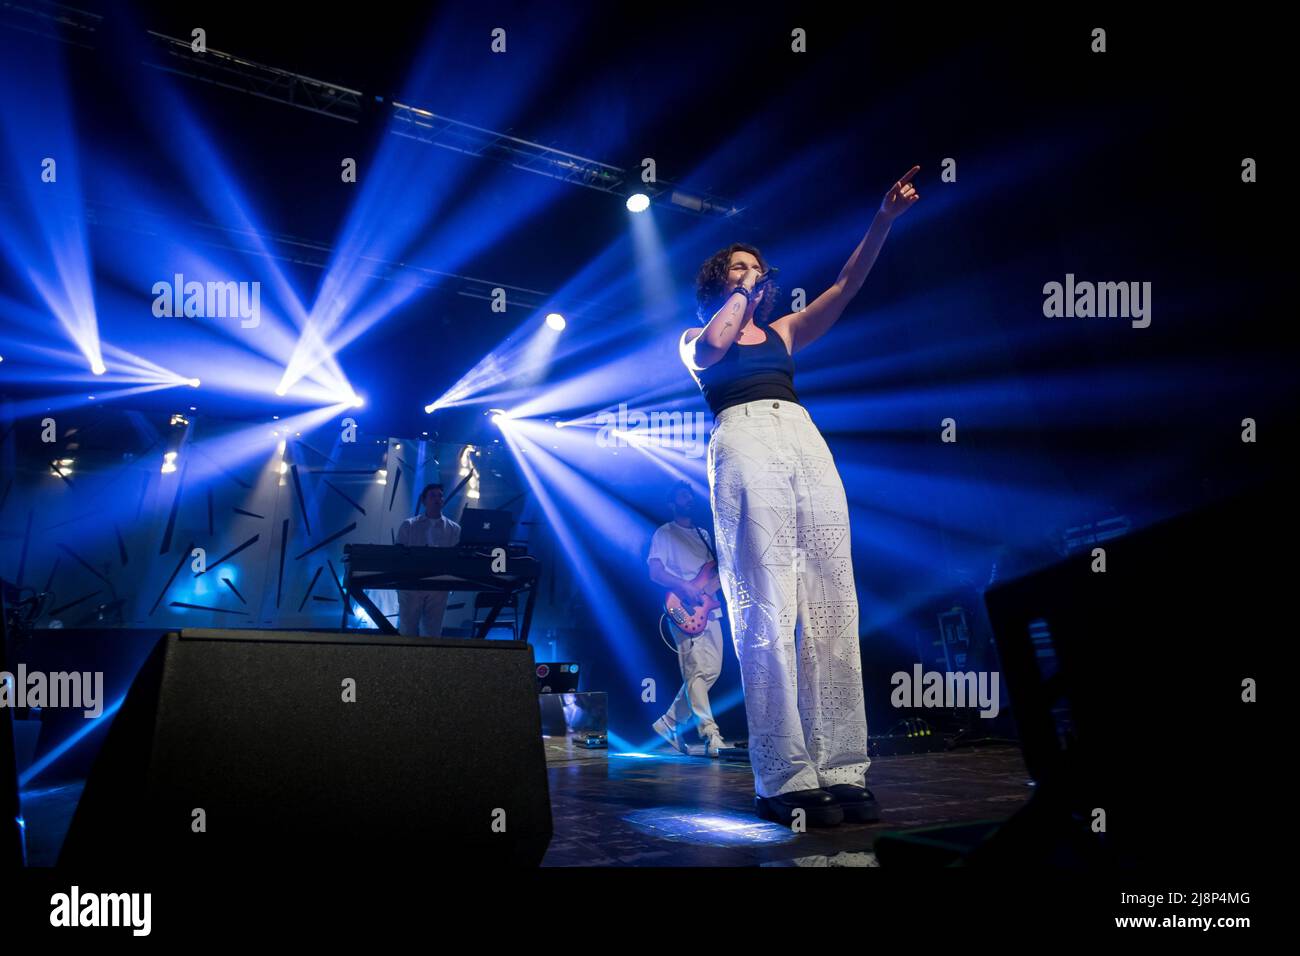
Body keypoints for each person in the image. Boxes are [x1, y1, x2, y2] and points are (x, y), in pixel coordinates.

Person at [678, 166, 921, 826]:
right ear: (718, 282)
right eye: (737, 268)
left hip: (802, 439)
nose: (749, 274)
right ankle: (783, 776)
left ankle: (841, 767)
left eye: (755, 269)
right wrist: (741, 294)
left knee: (832, 600)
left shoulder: (784, 332)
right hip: (743, 439)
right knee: (767, 606)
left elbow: (844, 287)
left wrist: (882, 220)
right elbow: (716, 345)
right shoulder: (695, 339)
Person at [647, 481, 732, 757]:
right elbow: (655, 572)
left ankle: (669, 722)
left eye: (690, 495)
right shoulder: (665, 533)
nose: (689, 499)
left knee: (711, 672)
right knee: (696, 672)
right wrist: (684, 587)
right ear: (672, 504)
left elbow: (714, 573)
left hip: (710, 609)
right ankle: (710, 733)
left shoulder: (703, 534)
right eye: (683, 496)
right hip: (682, 609)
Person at [396, 483, 461, 637]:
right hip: (411, 584)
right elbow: (398, 554)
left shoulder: (454, 529)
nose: (437, 499)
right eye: (433, 495)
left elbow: (456, 558)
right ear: (424, 500)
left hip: (439, 585)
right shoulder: (409, 525)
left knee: (433, 632)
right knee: (407, 630)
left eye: (440, 496)